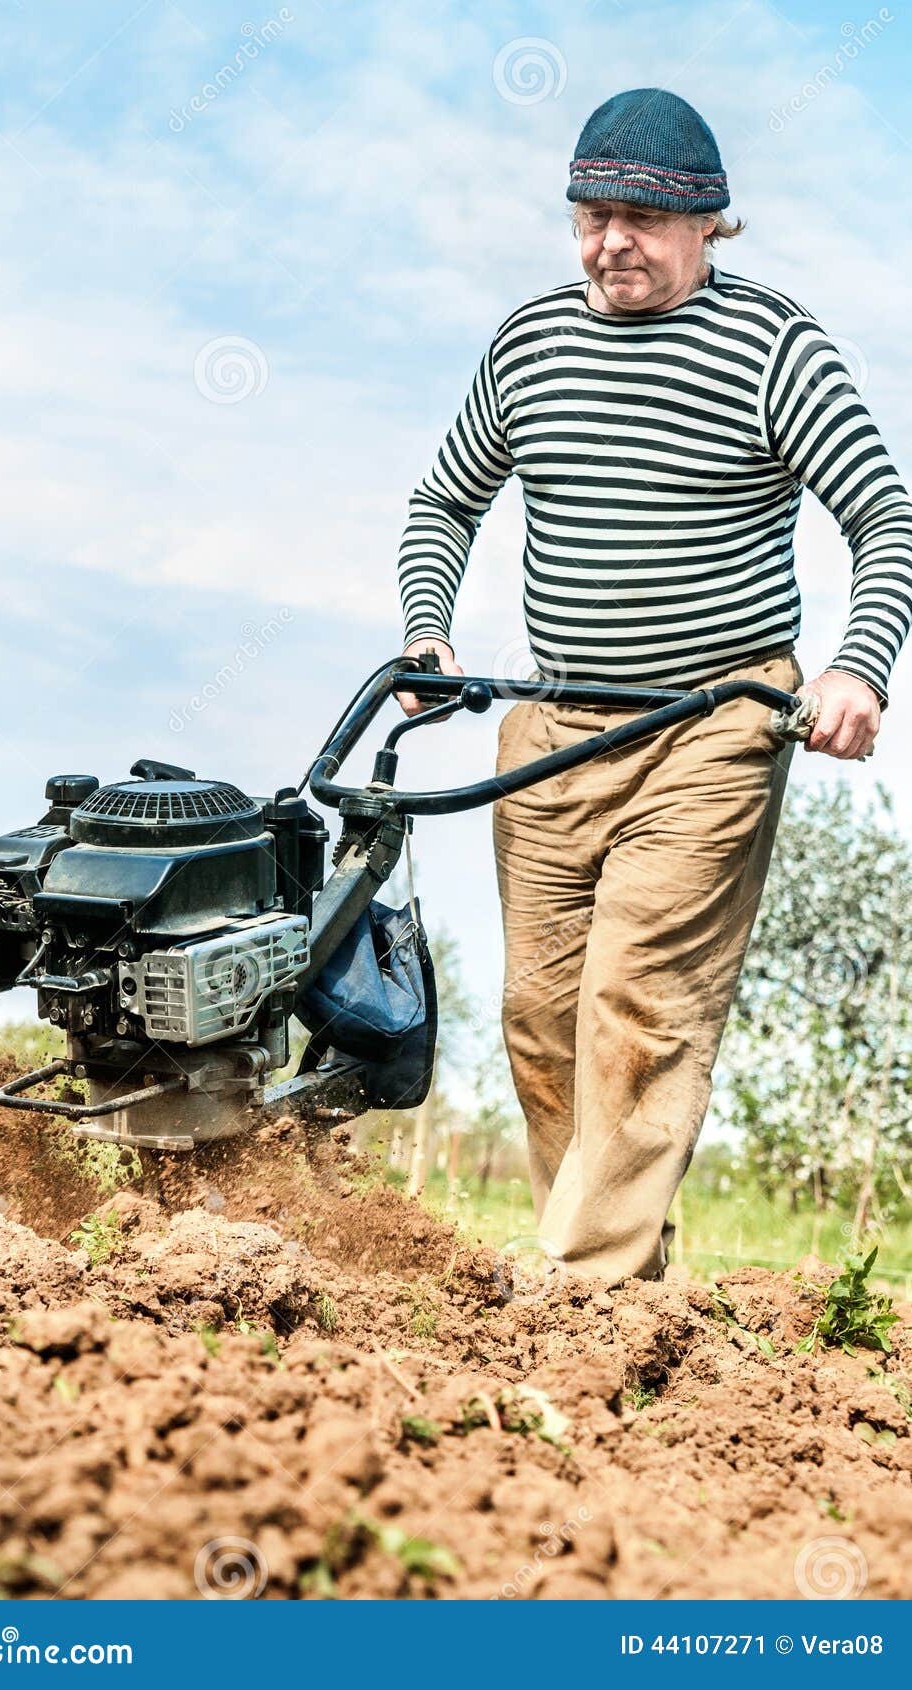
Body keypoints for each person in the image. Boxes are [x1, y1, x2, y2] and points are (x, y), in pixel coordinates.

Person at [394, 88, 912, 1286]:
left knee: (638, 1005)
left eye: (638, 216)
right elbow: (443, 500)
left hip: (713, 722)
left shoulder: (772, 345)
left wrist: (857, 666)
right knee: (540, 1021)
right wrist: (429, 637)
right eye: (590, 214)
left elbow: (883, 515)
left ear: (705, 227)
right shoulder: (529, 344)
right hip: (550, 726)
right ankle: (626, 1282)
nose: (608, 240)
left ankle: (575, 1285)